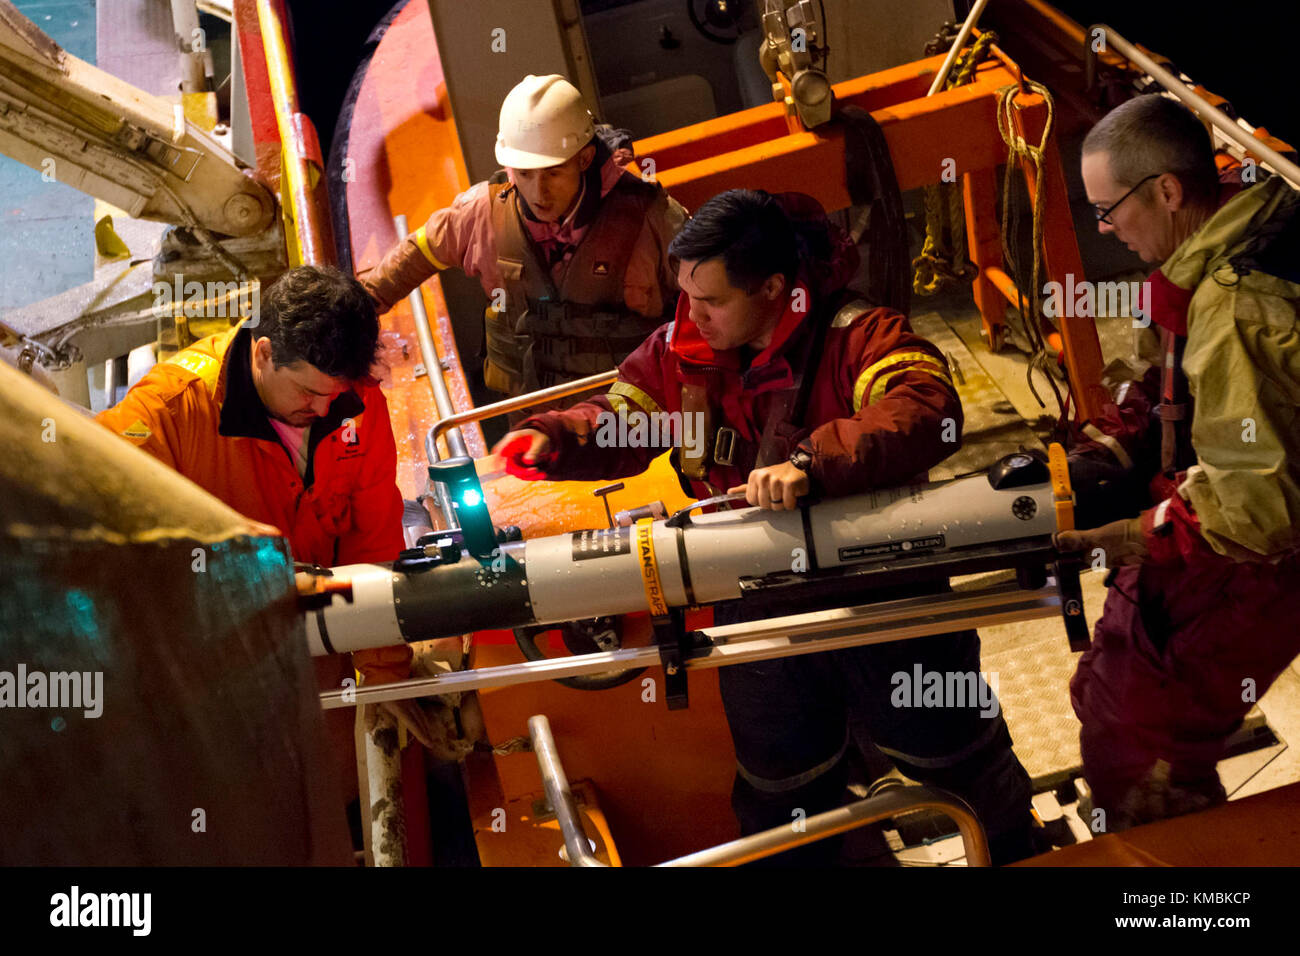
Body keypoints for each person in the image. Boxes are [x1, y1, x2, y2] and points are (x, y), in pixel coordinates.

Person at [490, 189, 1039, 864]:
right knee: (785, 802)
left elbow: (926, 406)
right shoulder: (681, 349)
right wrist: (556, 436)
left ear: (775, 288)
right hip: (761, 610)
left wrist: (812, 463)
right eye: (685, 295)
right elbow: (623, 413)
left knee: (962, 763)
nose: (692, 315)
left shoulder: (858, 335)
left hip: (887, 597)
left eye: (711, 300)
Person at [1061, 94, 1300, 829]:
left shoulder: (1234, 303)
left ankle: (1183, 896)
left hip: (1263, 549)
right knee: (1104, 678)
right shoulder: (1218, 245)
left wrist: (1136, 535)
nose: (1105, 228)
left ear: (1167, 190)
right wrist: (1097, 460)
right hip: (1221, 511)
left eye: (1110, 209)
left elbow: (1256, 513)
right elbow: (1169, 388)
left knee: (1137, 732)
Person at [96, 265, 435, 783]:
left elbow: (374, 535)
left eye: (334, 392)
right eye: (305, 392)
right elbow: (94, 521)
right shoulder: (170, 410)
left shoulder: (355, 402)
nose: (323, 409)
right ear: (263, 353)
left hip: (329, 634)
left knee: (345, 780)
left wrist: (385, 677)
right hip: (215, 659)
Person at [358, 74, 686, 401]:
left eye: (554, 173)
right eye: (524, 173)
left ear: (584, 159)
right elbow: (420, 252)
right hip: (530, 412)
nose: (538, 191)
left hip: (626, 418)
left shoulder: (651, 218)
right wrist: (358, 306)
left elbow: (707, 294)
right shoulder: (482, 213)